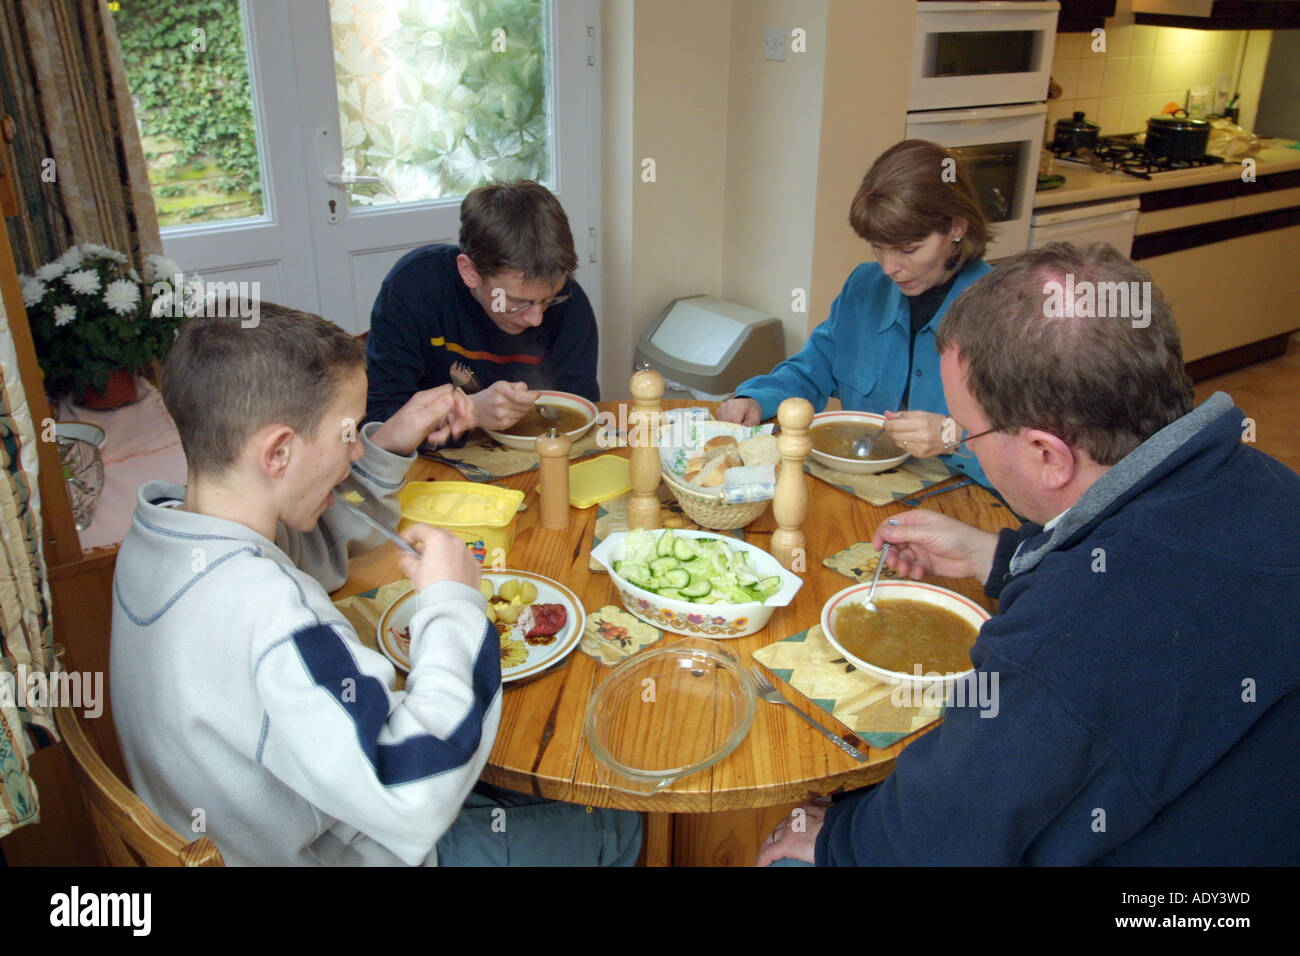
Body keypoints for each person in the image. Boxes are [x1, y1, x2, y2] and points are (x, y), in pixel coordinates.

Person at [757, 242, 1300, 866]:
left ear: (1048, 455)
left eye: (970, 433)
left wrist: (835, 837)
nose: (966, 444)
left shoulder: (1072, 635)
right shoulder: (1261, 478)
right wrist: (1000, 554)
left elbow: (932, 842)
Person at [111, 304, 640, 866]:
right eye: (347, 434)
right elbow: (413, 791)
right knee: (619, 819)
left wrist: (388, 443)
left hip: (291, 813)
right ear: (278, 451)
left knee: (514, 773)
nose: (356, 447)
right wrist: (453, 601)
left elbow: (301, 536)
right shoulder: (271, 613)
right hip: (356, 840)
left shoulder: (160, 538)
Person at [717, 140, 993, 487]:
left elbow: (1046, 459)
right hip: (864, 493)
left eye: (909, 249)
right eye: (878, 247)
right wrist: (756, 398)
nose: (890, 267)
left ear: (956, 227)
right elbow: (812, 371)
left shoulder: (1008, 315)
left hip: (968, 506)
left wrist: (957, 437)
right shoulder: (865, 286)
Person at [364, 180, 600, 433]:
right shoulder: (414, 288)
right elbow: (379, 420)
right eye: (518, 302)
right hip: (431, 460)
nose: (536, 319)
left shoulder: (569, 303)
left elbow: (579, 412)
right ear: (470, 272)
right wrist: (468, 411)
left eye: (548, 299)